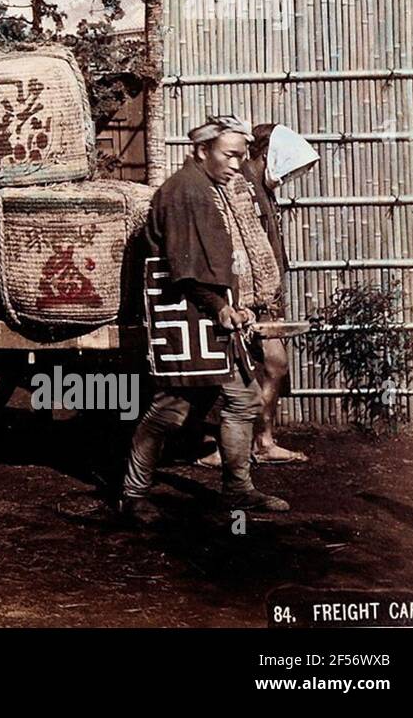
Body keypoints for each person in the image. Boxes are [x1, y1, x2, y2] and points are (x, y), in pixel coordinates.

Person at [120, 114, 290, 525]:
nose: (237, 164)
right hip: (187, 313)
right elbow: (185, 269)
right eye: (229, 155)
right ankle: (132, 494)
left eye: (241, 156)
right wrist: (221, 307)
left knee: (244, 398)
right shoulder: (185, 194)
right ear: (201, 151)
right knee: (171, 409)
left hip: (213, 314)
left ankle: (238, 490)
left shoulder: (212, 191)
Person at [244, 123, 319, 463]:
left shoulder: (264, 189)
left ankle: (260, 440)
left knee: (266, 369)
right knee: (273, 365)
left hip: (269, 295)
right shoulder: (244, 188)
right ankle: (255, 442)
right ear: (265, 155)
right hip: (254, 298)